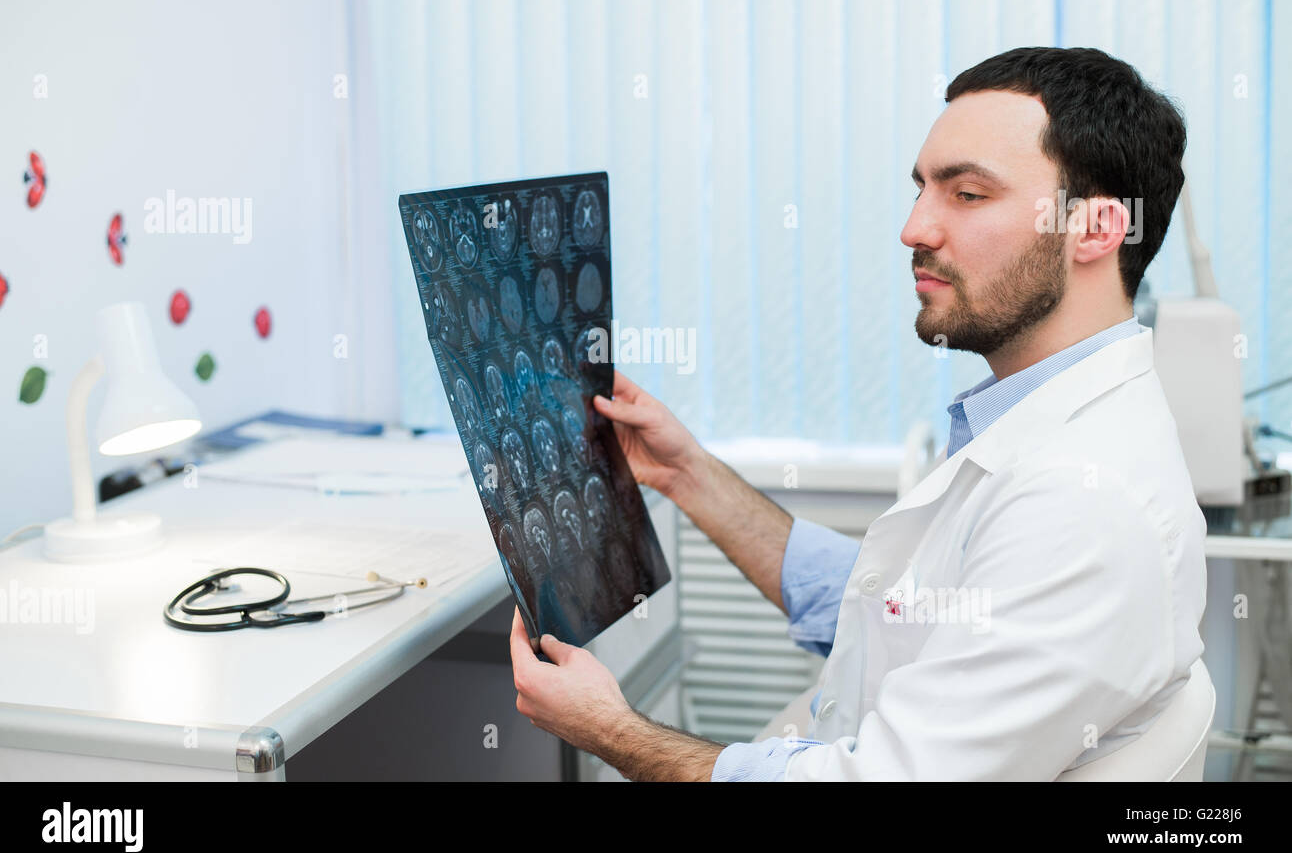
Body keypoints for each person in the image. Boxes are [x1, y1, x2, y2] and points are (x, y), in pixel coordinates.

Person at [508, 46, 1206, 781]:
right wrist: (687, 473)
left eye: (967, 195)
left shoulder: (1082, 506)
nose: (915, 229)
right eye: (921, 190)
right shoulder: (1044, 425)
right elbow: (900, 606)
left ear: (1096, 229)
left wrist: (612, 730)